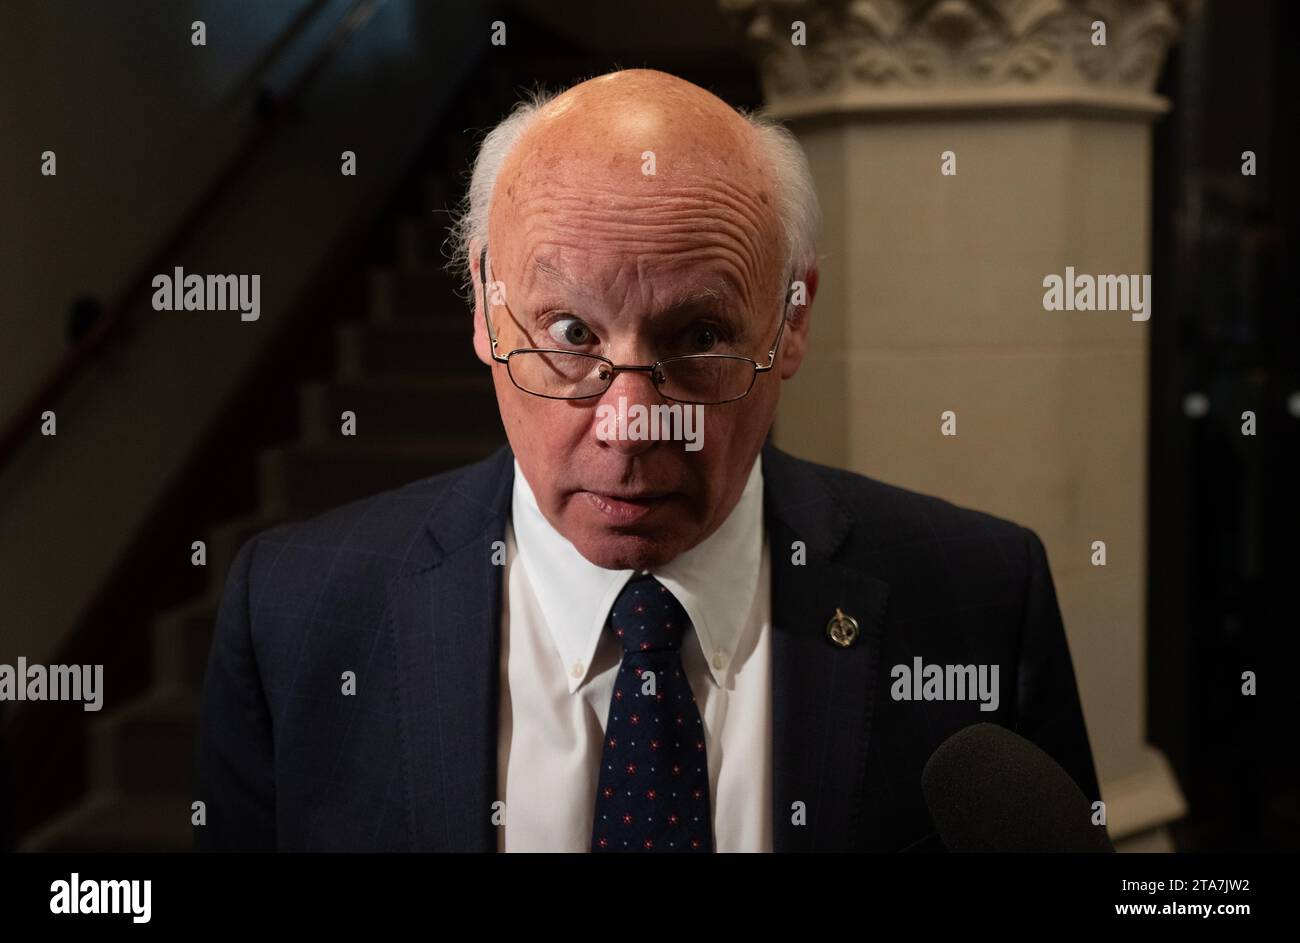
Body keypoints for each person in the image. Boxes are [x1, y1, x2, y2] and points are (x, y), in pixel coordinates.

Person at [194, 68, 1099, 852]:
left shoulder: (980, 599)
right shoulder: (295, 616)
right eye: (569, 332)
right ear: (482, 301)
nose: (630, 427)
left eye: (699, 336)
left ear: (791, 319)